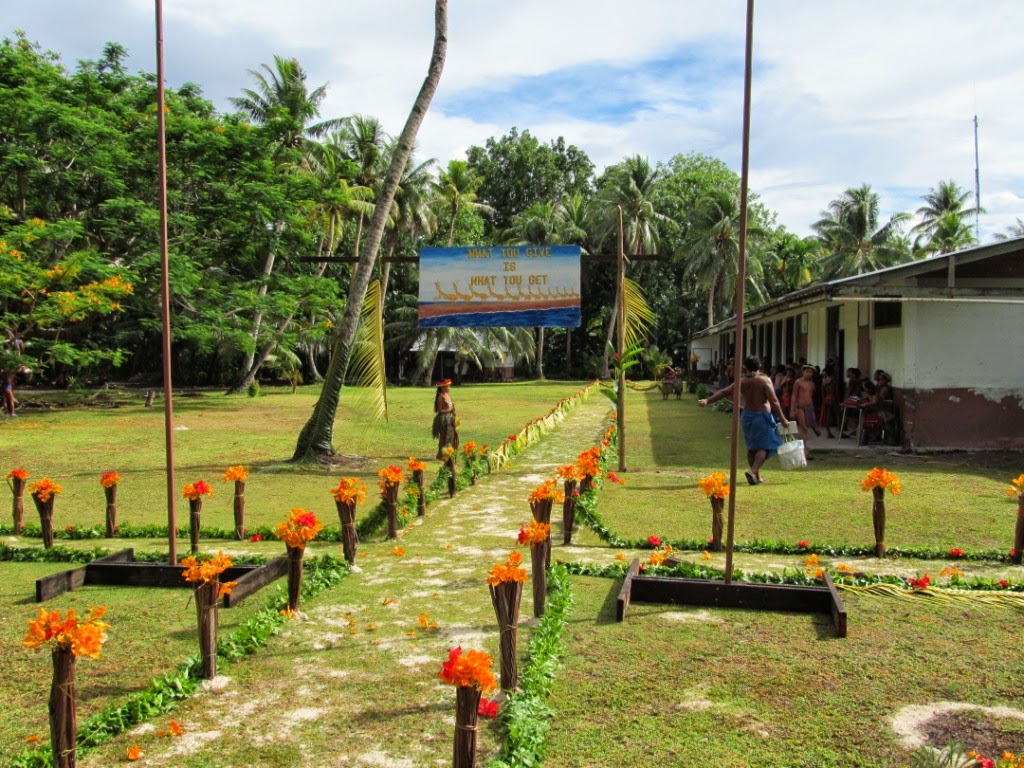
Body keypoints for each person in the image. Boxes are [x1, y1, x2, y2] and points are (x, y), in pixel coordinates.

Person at [698, 355, 790, 485]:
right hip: (762, 416)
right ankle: (753, 471)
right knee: (766, 446)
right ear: (760, 366)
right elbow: (774, 401)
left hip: (747, 416)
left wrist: (707, 400)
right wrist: (783, 418)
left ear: (745, 367)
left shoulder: (742, 382)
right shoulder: (764, 381)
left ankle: (756, 476)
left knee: (752, 448)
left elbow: (724, 392)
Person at [790, 364, 820, 458]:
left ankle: (803, 450)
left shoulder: (812, 384)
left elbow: (811, 397)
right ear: (803, 372)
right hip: (800, 407)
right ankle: (804, 451)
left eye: (811, 372)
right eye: (807, 371)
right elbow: (794, 395)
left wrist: (813, 410)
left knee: (806, 429)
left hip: (809, 407)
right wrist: (792, 409)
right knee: (804, 428)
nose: (809, 374)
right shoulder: (798, 382)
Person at [432, 379, 459, 460]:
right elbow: (439, 410)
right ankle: (440, 454)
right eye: (448, 386)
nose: (449, 388)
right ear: (442, 388)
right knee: (443, 437)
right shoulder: (440, 397)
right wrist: (449, 411)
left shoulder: (447, 395)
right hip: (443, 420)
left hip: (450, 419)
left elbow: (450, 407)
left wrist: (453, 413)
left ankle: (447, 453)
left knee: (451, 436)